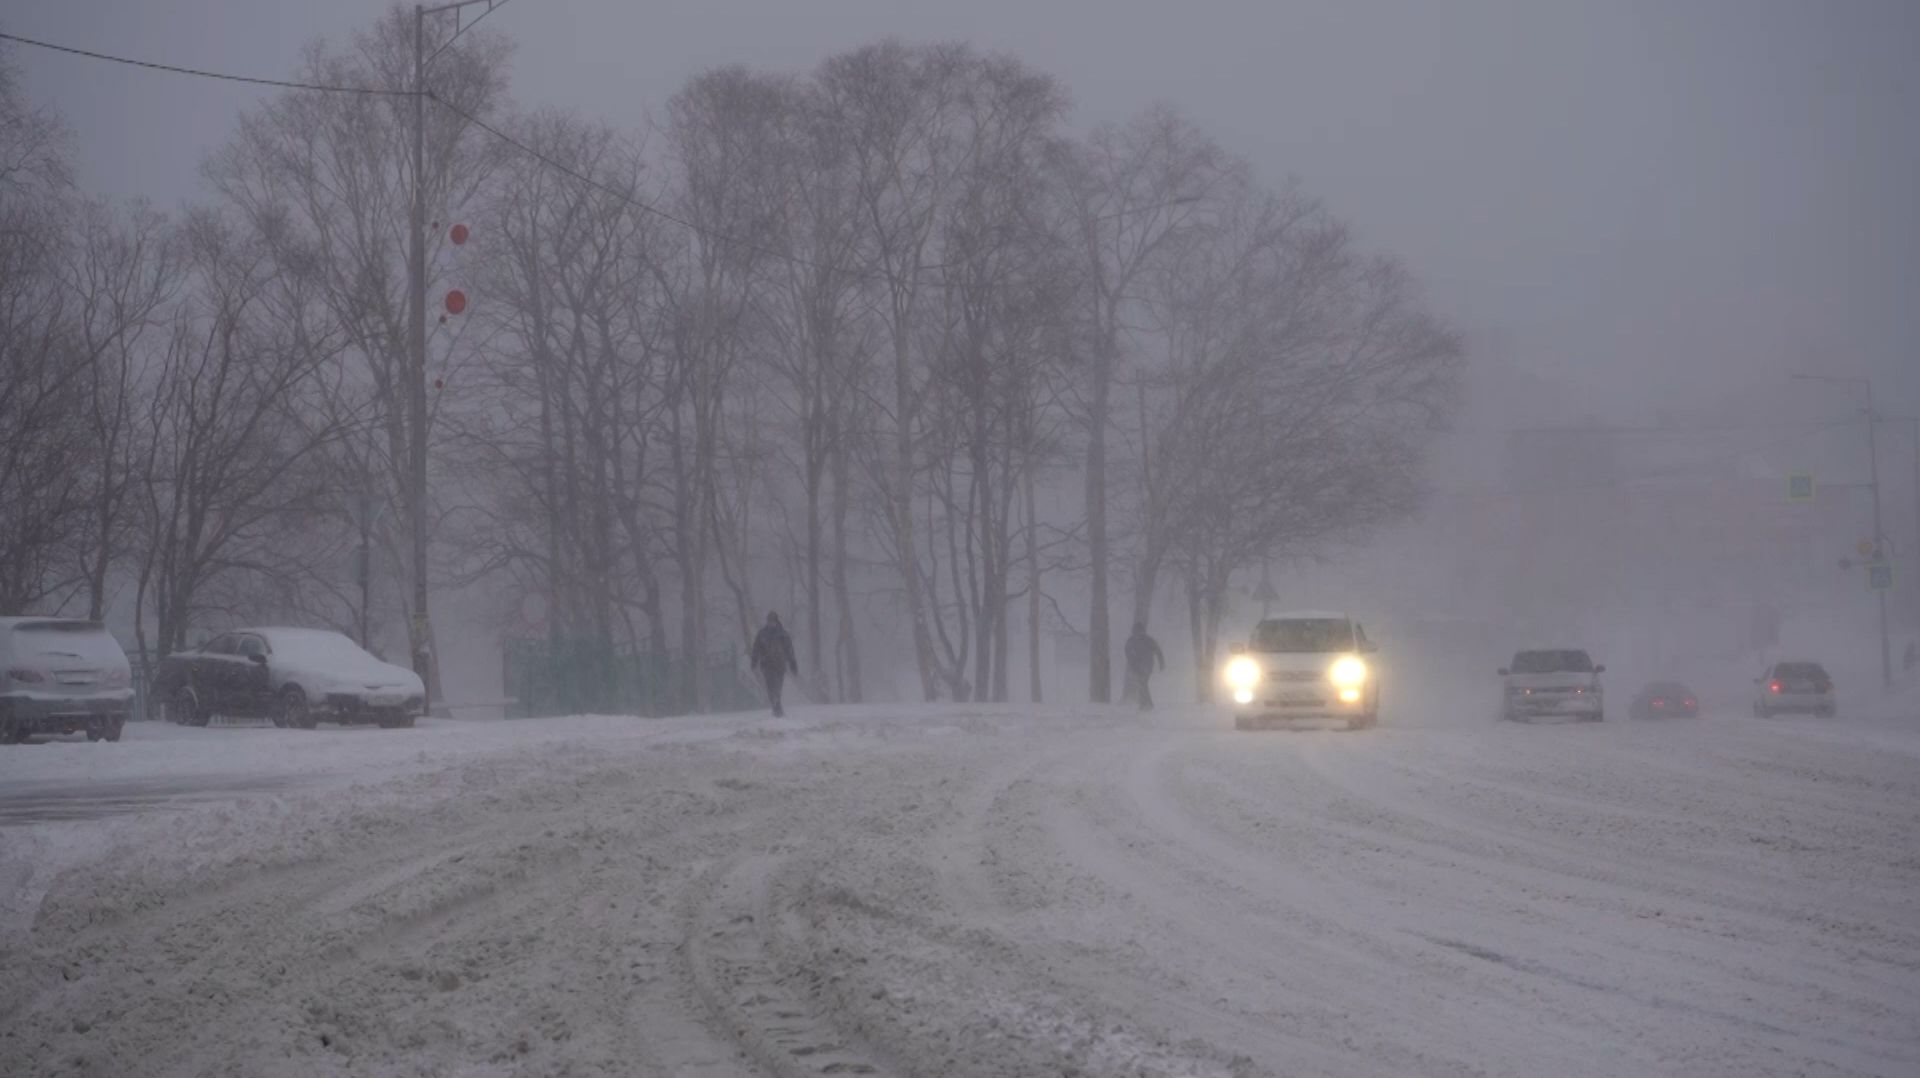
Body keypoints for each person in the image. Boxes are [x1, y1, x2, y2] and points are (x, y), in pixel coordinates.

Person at [749, 612, 799, 717]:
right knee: (770, 686)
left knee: (778, 686)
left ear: (776, 621)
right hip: (767, 665)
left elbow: (789, 649)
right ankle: (776, 706)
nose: (771, 623)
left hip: (780, 664)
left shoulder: (783, 634)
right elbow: (756, 649)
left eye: (773, 621)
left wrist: (792, 663)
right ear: (767, 621)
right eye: (770, 621)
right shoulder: (762, 634)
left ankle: (777, 705)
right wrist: (754, 661)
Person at [1124, 622, 1165, 711]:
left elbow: (1158, 651)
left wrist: (1161, 663)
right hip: (1137, 666)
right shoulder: (1132, 640)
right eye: (1135, 631)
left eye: (1139, 631)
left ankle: (1145, 704)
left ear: (1142, 631)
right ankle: (1147, 703)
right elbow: (1127, 649)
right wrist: (1131, 660)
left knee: (1142, 683)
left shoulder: (1148, 640)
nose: (1137, 633)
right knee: (1142, 684)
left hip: (1147, 665)